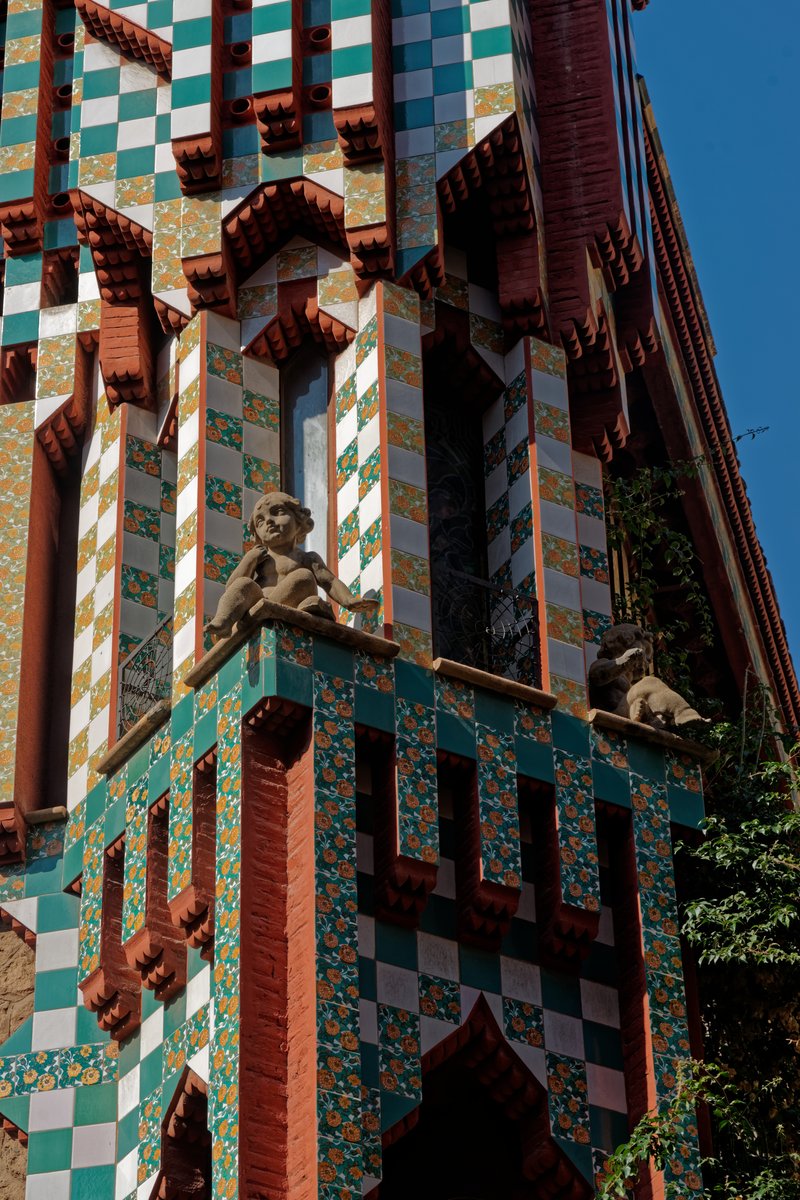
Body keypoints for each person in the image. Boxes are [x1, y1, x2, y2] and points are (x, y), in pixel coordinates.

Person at [205, 490, 378, 639]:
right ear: (257, 534)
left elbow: (330, 581)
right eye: (260, 521)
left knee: (303, 576)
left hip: (284, 605)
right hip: (259, 603)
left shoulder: (307, 558)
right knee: (244, 584)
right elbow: (233, 586)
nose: (269, 521)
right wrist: (250, 560)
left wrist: (349, 600)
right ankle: (223, 621)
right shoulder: (260, 557)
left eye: (277, 512)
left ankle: (272, 609)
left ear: (299, 520)